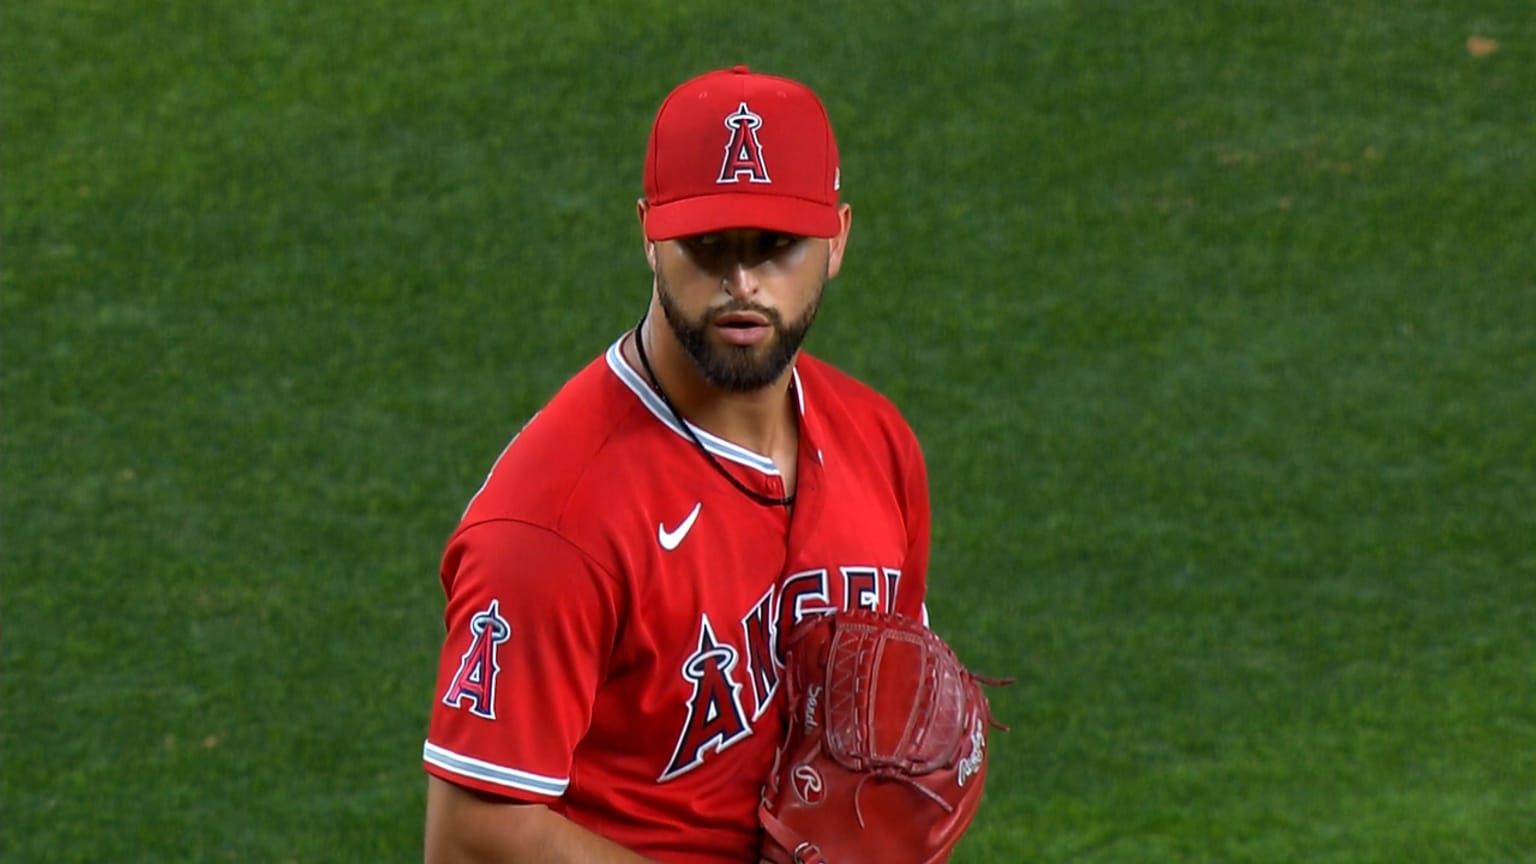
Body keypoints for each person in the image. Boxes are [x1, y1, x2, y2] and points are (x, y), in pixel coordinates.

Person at [421, 65, 932, 863]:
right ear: (648, 234)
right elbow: (471, 840)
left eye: (775, 246)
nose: (741, 281)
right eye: (706, 244)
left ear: (837, 240)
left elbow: (891, 717)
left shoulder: (878, 440)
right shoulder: (553, 522)